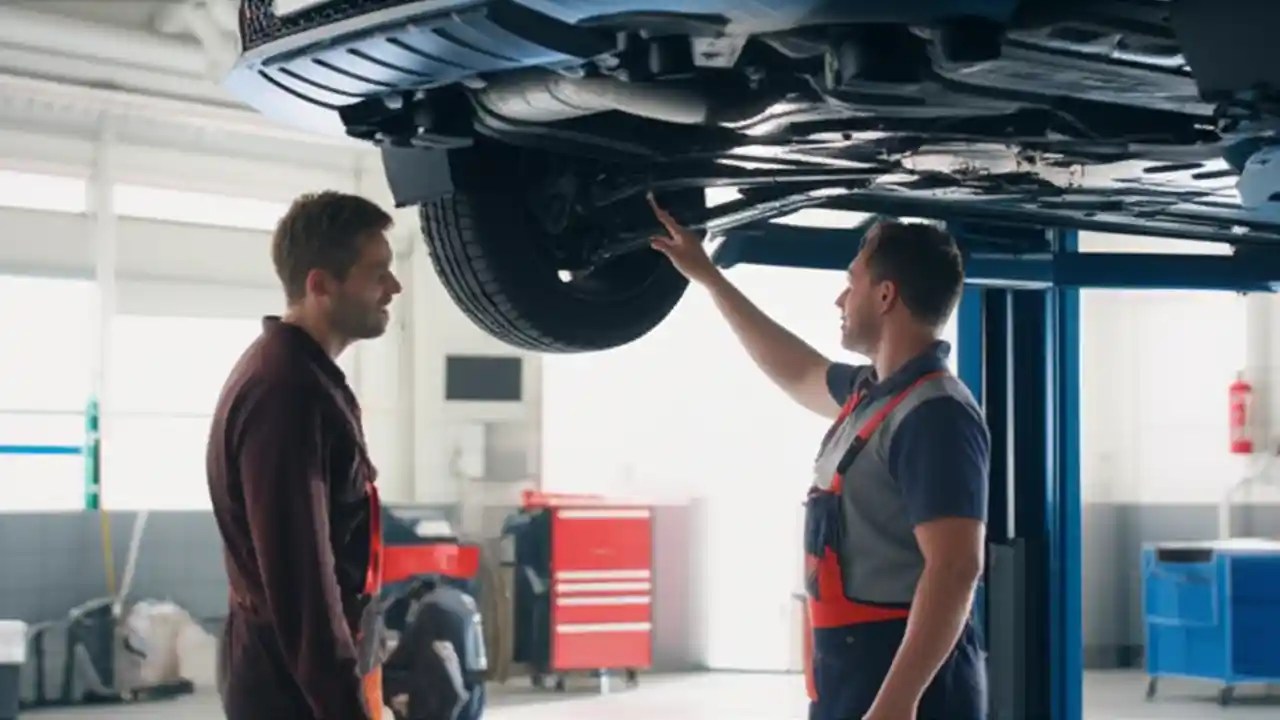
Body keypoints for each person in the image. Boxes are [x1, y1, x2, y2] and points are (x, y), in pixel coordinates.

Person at [648, 194, 990, 720]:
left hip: (908, 683)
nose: (839, 300)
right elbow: (797, 370)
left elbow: (956, 568)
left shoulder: (934, 414)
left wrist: (898, 702)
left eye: (850, 282)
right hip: (854, 671)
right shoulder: (872, 394)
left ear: (884, 296)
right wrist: (709, 278)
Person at [207, 190, 404, 720]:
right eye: (377, 272)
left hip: (295, 677)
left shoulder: (302, 375)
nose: (394, 288)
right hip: (292, 692)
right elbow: (305, 593)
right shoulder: (286, 393)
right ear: (321, 284)